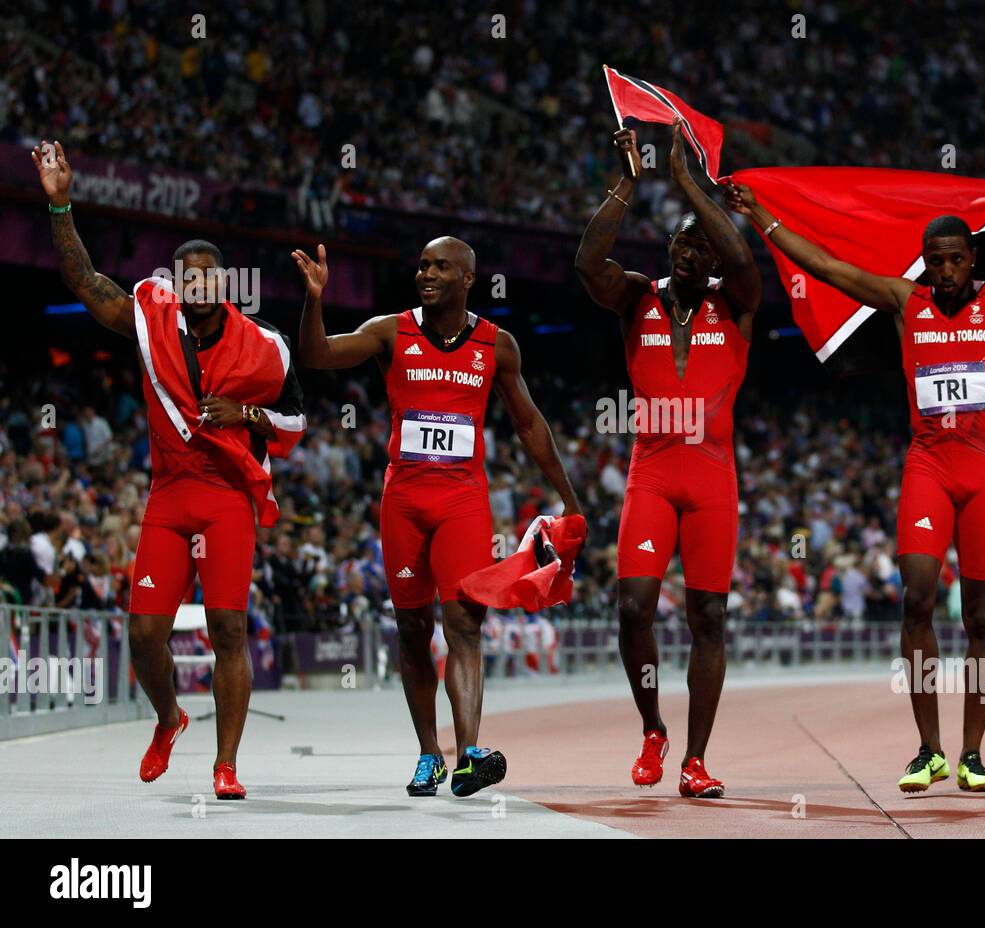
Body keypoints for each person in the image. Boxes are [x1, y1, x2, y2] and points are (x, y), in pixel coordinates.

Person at [727, 165, 985, 792]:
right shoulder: (905, 301)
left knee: (981, 616)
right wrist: (760, 215)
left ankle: (973, 754)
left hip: (984, 470)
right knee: (917, 596)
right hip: (928, 464)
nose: (945, 270)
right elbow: (824, 266)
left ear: (971, 258)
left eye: (954, 259)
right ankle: (929, 749)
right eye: (935, 260)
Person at [32, 139, 306, 799]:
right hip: (168, 496)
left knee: (229, 628)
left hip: (226, 498)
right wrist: (62, 204)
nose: (198, 284)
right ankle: (168, 717)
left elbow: (296, 423)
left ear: (223, 281)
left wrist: (247, 415)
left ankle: (227, 765)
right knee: (144, 631)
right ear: (178, 285)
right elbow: (87, 284)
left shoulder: (265, 346)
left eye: (209, 273)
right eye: (187, 276)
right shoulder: (151, 323)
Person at [294, 237, 582, 798]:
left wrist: (568, 498)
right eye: (422, 263)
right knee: (411, 627)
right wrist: (313, 300)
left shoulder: (496, 345)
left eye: (441, 266)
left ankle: (469, 751)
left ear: (468, 278)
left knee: (464, 623)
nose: (426, 273)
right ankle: (429, 752)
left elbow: (529, 425)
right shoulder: (389, 330)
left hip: (463, 501)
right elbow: (317, 356)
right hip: (403, 500)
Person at [575, 121, 760, 798]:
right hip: (653, 475)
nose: (693, 254)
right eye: (684, 241)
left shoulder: (735, 305)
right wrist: (626, 188)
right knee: (633, 608)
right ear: (670, 246)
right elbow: (587, 267)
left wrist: (687, 181)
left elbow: (744, 263)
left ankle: (696, 759)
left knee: (708, 619)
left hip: (712, 481)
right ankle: (653, 726)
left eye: (704, 246)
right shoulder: (636, 298)